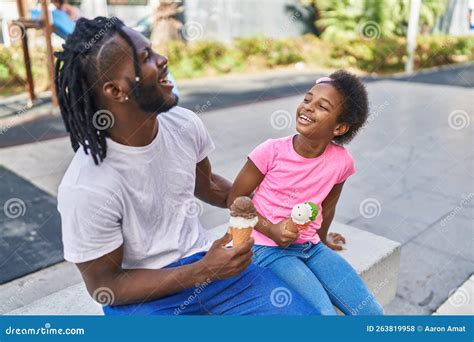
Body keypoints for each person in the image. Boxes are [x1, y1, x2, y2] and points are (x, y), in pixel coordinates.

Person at [55, 16, 315, 316]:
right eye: (145, 58)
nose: (163, 59)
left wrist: (274, 207)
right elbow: (106, 287)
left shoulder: (183, 124)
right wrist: (203, 271)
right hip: (143, 297)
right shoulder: (86, 186)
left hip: (210, 267)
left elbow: (209, 185)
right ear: (116, 90)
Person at [227, 71, 384, 315]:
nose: (307, 108)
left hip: (310, 247)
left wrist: (323, 240)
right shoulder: (271, 151)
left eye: (322, 106)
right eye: (307, 99)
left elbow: (327, 207)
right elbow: (235, 201)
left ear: (340, 127)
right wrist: (272, 230)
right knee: (323, 316)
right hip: (266, 247)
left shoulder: (341, 162)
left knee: (371, 313)